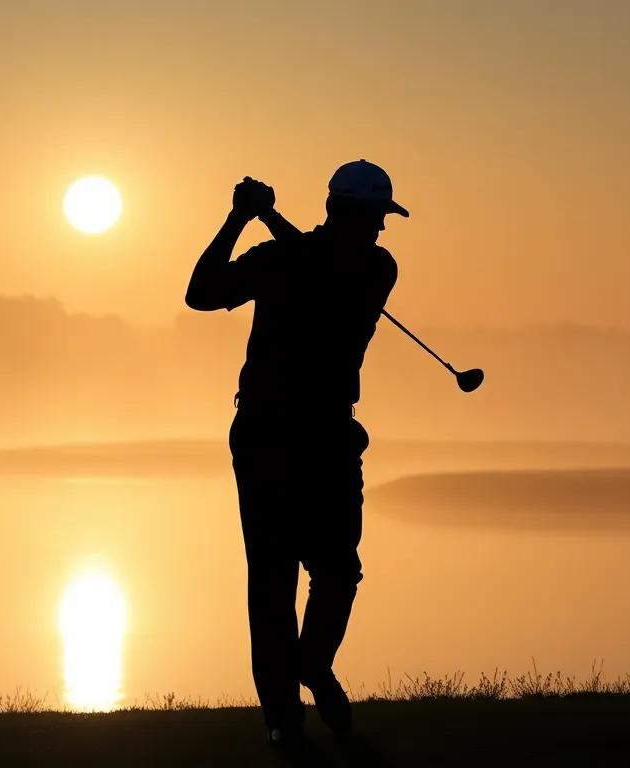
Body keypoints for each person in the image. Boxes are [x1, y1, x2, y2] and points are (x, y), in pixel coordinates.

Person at [184, 160, 406, 745]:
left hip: (303, 435)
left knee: (326, 572)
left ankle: (307, 671)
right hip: (287, 435)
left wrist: (253, 217)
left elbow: (317, 269)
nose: (383, 228)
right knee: (283, 576)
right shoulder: (303, 258)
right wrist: (245, 220)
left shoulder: (372, 267)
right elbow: (201, 295)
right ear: (349, 213)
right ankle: (286, 715)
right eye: (377, 217)